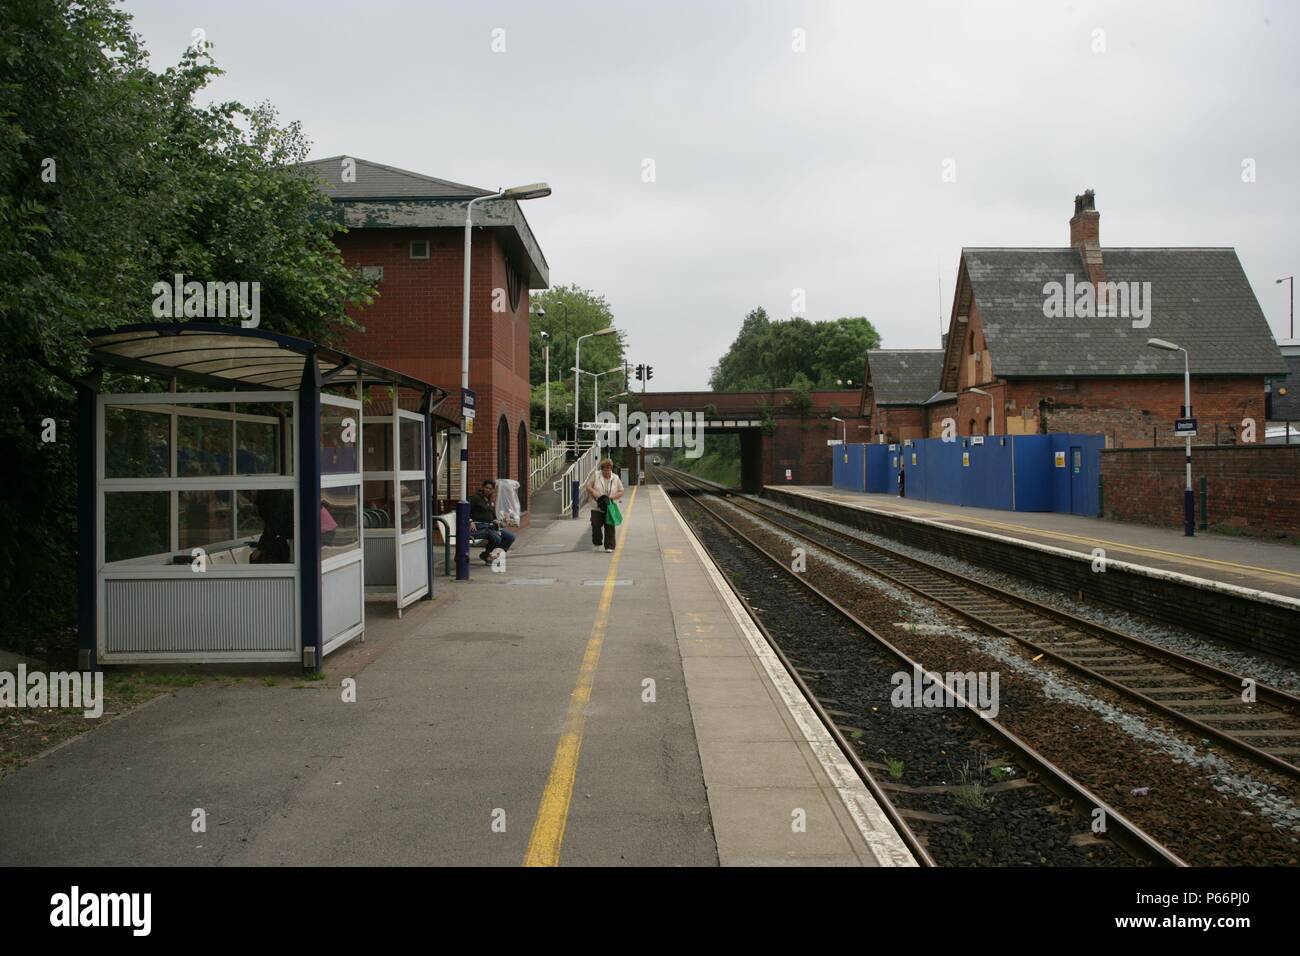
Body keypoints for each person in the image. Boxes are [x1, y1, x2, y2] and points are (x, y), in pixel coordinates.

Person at [468, 479, 515, 564]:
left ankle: (490, 555)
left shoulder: (488, 500)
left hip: (490, 526)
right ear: (482, 487)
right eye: (486, 488)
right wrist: (470, 521)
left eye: (490, 489)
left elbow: (491, 515)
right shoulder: (475, 498)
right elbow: (464, 510)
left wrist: (495, 520)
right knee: (496, 538)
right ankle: (488, 556)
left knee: (510, 537)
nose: (488, 490)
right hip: (479, 527)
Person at [585, 458, 625, 553]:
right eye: (605, 469)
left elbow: (621, 491)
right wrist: (594, 493)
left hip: (610, 506)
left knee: (610, 526)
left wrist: (613, 496)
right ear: (602, 469)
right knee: (596, 525)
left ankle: (609, 546)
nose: (607, 471)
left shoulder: (615, 477)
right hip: (596, 505)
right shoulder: (596, 475)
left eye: (609, 469)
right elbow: (588, 486)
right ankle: (597, 543)